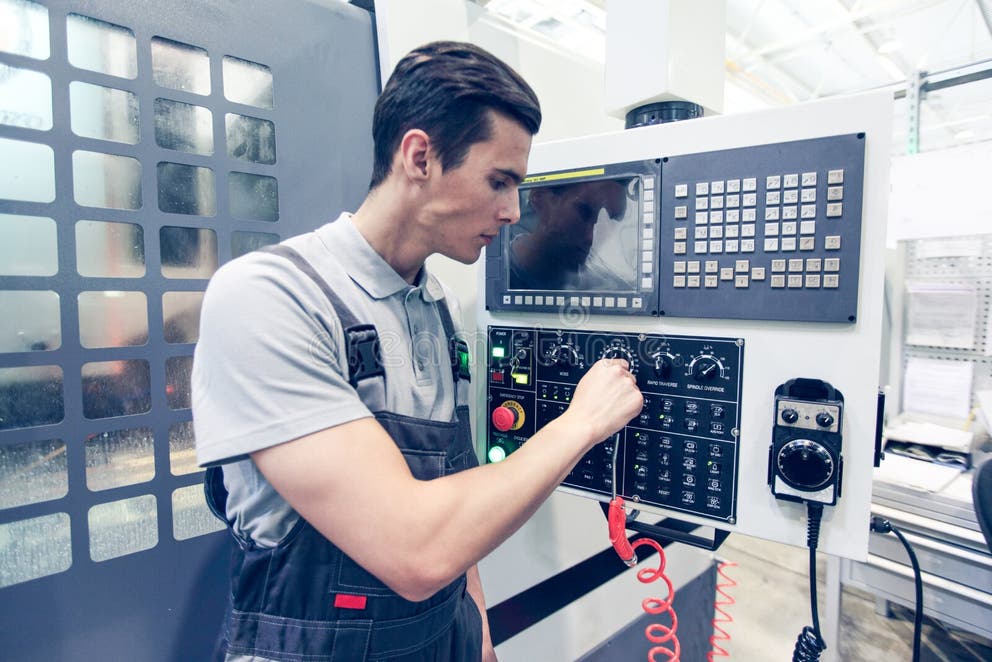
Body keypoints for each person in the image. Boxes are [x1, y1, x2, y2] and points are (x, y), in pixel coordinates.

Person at [192, 41, 643, 662]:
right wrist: (582, 424)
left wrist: (478, 634)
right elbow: (417, 549)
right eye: (499, 181)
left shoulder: (439, 311)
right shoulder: (270, 298)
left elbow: (455, 495)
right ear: (420, 156)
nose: (513, 212)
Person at [509, 178, 631, 291]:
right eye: (584, 211)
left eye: (610, 222)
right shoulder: (497, 273)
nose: (591, 238)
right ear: (539, 198)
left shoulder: (611, 289)